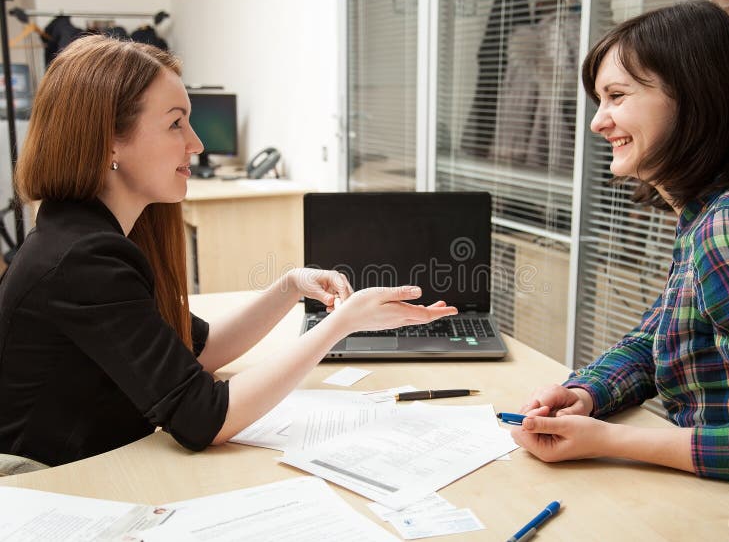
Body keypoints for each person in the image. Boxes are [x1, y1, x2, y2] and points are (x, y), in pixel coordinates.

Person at [0, 35, 457, 467]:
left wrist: (289, 287)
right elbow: (201, 417)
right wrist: (340, 325)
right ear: (109, 141)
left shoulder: (91, 232)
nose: (196, 144)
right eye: (175, 123)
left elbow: (198, 350)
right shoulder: (84, 259)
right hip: (46, 482)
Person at [512, 0, 729, 484]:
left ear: (693, 97)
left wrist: (610, 441)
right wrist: (585, 393)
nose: (598, 122)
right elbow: (657, 340)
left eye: (616, 96)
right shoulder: (707, 215)